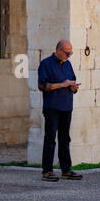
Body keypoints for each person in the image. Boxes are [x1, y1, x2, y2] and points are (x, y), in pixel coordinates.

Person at [37, 39, 82, 181]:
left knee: (65, 139)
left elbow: (72, 82)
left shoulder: (68, 64)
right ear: (58, 50)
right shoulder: (46, 64)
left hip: (66, 106)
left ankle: (66, 170)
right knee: (50, 138)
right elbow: (42, 86)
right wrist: (62, 84)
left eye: (71, 53)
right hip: (52, 107)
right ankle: (47, 171)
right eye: (67, 53)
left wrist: (73, 88)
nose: (69, 56)